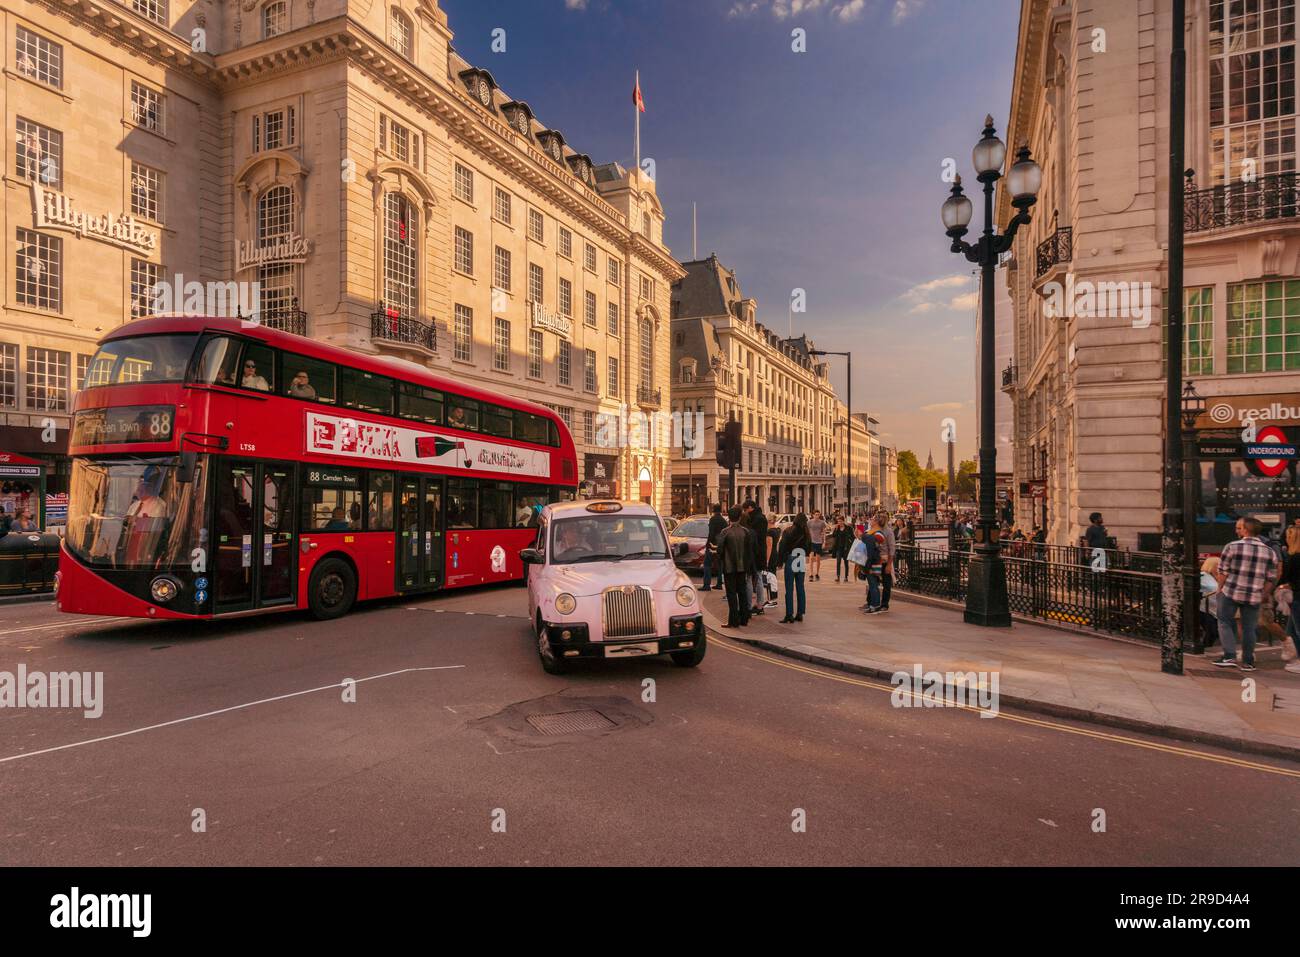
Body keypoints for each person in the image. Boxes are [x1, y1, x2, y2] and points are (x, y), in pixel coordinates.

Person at [1214, 515, 1281, 672]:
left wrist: (1219, 588)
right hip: (1254, 594)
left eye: (1239, 527)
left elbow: (1223, 571)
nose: (1237, 530)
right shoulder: (1269, 551)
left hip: (1231, 591)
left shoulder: (1232, 546)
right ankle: (1248, 662)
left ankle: (1229, 656)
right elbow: (1271, 577)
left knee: (1224, 621)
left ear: (1246, 529)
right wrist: (1264, 593)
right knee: (1249, 628)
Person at [716, 506, 752, 629]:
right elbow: (748, 551)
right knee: (742, 593)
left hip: (729, 567)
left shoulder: (725, 532)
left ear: (729, 517)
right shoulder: (745, 532)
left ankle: (733, 620)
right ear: (740, 517)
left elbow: (720, 550)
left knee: (731, 594)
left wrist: (720, 561)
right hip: (742, 567)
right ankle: (744, 618)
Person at [772, 512, 810, 623]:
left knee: (789, 588)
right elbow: (808, 548)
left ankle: (789, 614)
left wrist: (780, 562)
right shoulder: (806, 532)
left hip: (791, 557)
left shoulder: (788, 531)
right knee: (800, 587)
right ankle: (800, 613)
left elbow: (783, 546)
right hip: (801, 558)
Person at [742, 500, 770, 616]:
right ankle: (759, 604)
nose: (745, 512)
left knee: (754, 577)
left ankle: (756, 605)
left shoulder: (756, 519)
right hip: (759, 552)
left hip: (755, 553)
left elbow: (754, 537)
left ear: (750, 507)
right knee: (757, 577)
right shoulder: (760, 517)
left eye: (745, 509)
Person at [1279, 527, 1300, 674]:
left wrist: (1285, 585)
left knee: (1297, 630)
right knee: (1291, 629)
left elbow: (1292, 579)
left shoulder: (1295, 558)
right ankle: (1294, 656)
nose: (1286, 539)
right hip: (1296, 595)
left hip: (1297, 596)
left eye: (1289, 536)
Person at [860, 514, 887, 614]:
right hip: (872, 560)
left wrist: (862, 535)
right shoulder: (873, 532)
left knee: (873, 584)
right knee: (872, 584)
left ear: (876, 522)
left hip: (873, 561)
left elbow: (869, 543)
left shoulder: (878, 534)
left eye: (872, 519)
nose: (870, 520)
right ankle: (872, 604)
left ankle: (874, 606)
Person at [874, 510, 895, 612]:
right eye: (879, 517)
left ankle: (885, 604)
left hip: (885, 561)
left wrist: (889, 565)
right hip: (876, 560)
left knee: (886, 584)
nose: (880, 519)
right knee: (874, 582)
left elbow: (892, 549)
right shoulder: (876, 529)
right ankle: (873, 602)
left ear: (886, 519)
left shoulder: (889, 532)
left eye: (883, 517)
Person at [701, 503, 725, 591]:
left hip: (712, 545)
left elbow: (711, 533)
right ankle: (719, 583)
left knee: (707, 564)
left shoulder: (713, 519)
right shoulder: (723, 520)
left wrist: (708, 544)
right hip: (720, 545)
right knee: (720, 565)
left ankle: (706, 585)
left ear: (713, 510)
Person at [829, 516, 852, 582]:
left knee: (846, 563)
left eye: (840, 521)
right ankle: (838, 576)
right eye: (838, 521)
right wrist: (835, 529)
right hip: (838, 548)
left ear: (843, 521)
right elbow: (833, 535)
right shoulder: (837, 528)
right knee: (838, 562)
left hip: (845, 548)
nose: (839, 523)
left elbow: (852, 537)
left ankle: (846, 577)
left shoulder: (848, 528)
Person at [807, 510, 827, 581]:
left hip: (819, 542)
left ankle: (817, 573)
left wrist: (824, 542)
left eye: (818, 514)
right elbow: (807, 531)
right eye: (815, 514)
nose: (817, 516)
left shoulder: (822, 523)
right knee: (811, 558)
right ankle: (811, 574)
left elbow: (824, 533)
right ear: (813, 515)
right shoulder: (809, 522)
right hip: (811, 542)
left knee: (818, 559)